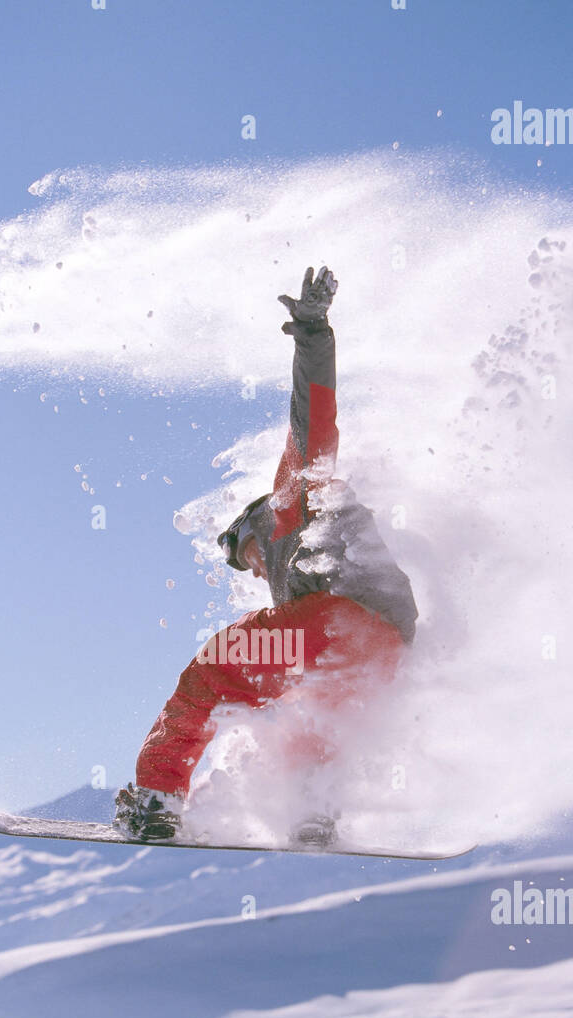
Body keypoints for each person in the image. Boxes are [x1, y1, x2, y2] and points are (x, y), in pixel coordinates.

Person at [115, 267, 418, 845]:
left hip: (342, 615)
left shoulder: (291, 500)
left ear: (253, 525)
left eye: (246, 554)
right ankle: (313, 813)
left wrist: (312, 332)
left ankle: (155, 799)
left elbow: (314, 421)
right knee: (313, 717)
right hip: (388, 645)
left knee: (211, 672)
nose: (254, 569)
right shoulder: (303, 566)